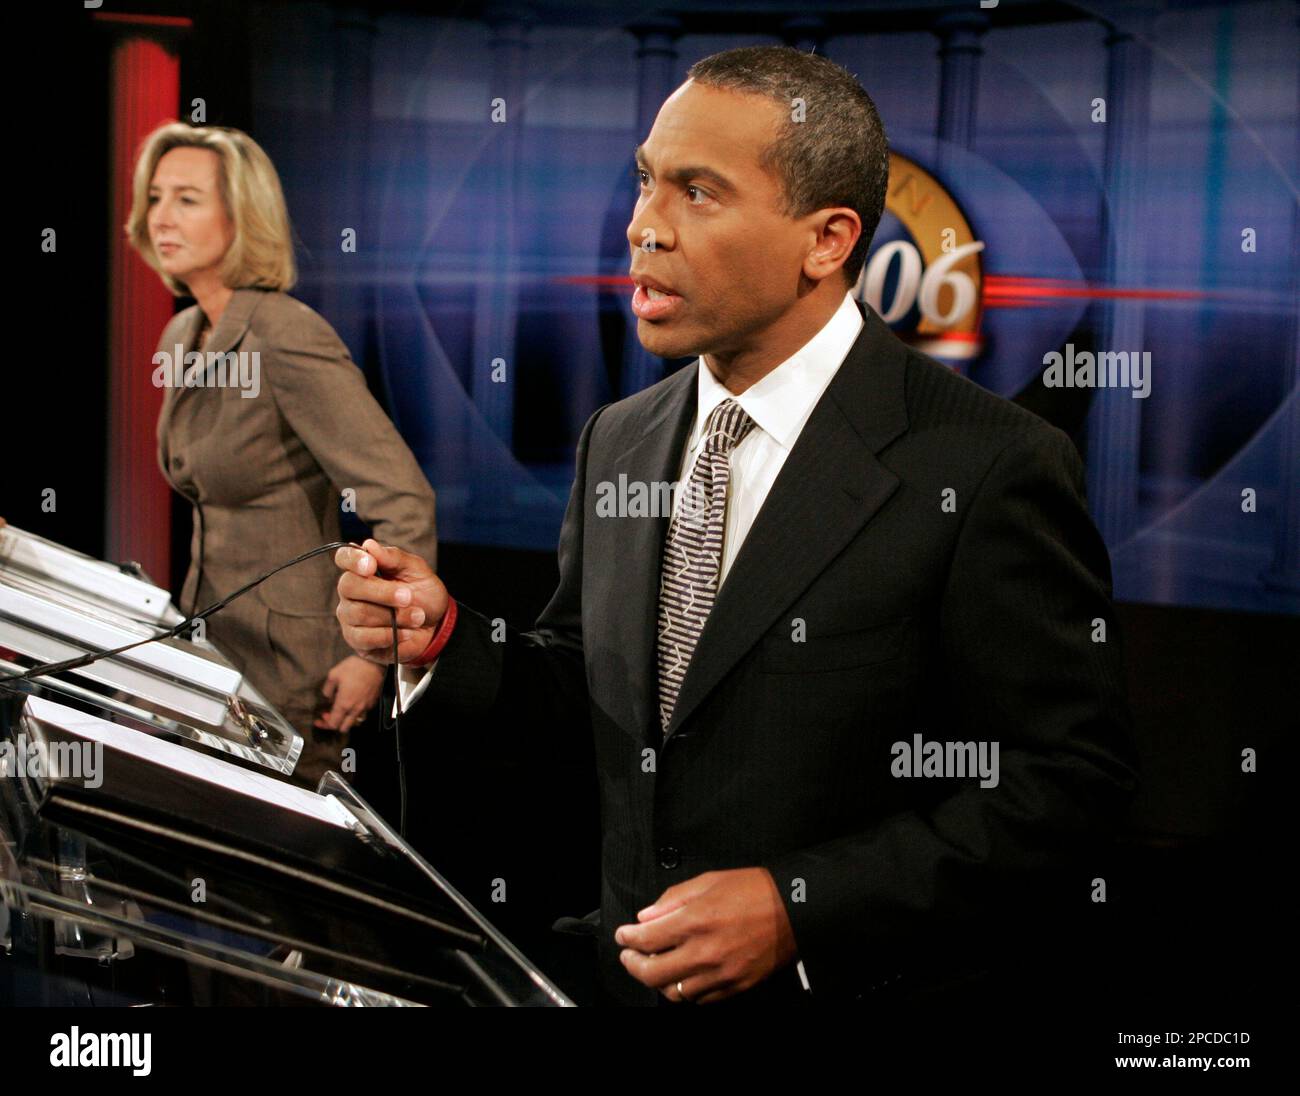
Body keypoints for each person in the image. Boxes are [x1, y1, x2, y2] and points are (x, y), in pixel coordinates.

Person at [333, 46, 1138, 1007]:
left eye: (698, 192)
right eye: (645, 182)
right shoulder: (620, 441)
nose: (643, 227)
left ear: (828, 239)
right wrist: (447, 638)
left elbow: (1064, 790)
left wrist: (800, 907)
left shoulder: (987, 465)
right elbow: (594, 686)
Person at [127, 122, 438, 789]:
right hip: (208, 647)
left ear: (243, 217)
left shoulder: (286, 334)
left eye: (187, 199)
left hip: (298, 667)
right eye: (155, 197)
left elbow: (402, 500)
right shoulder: (184, 332)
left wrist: (373, 655)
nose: (161, 218)